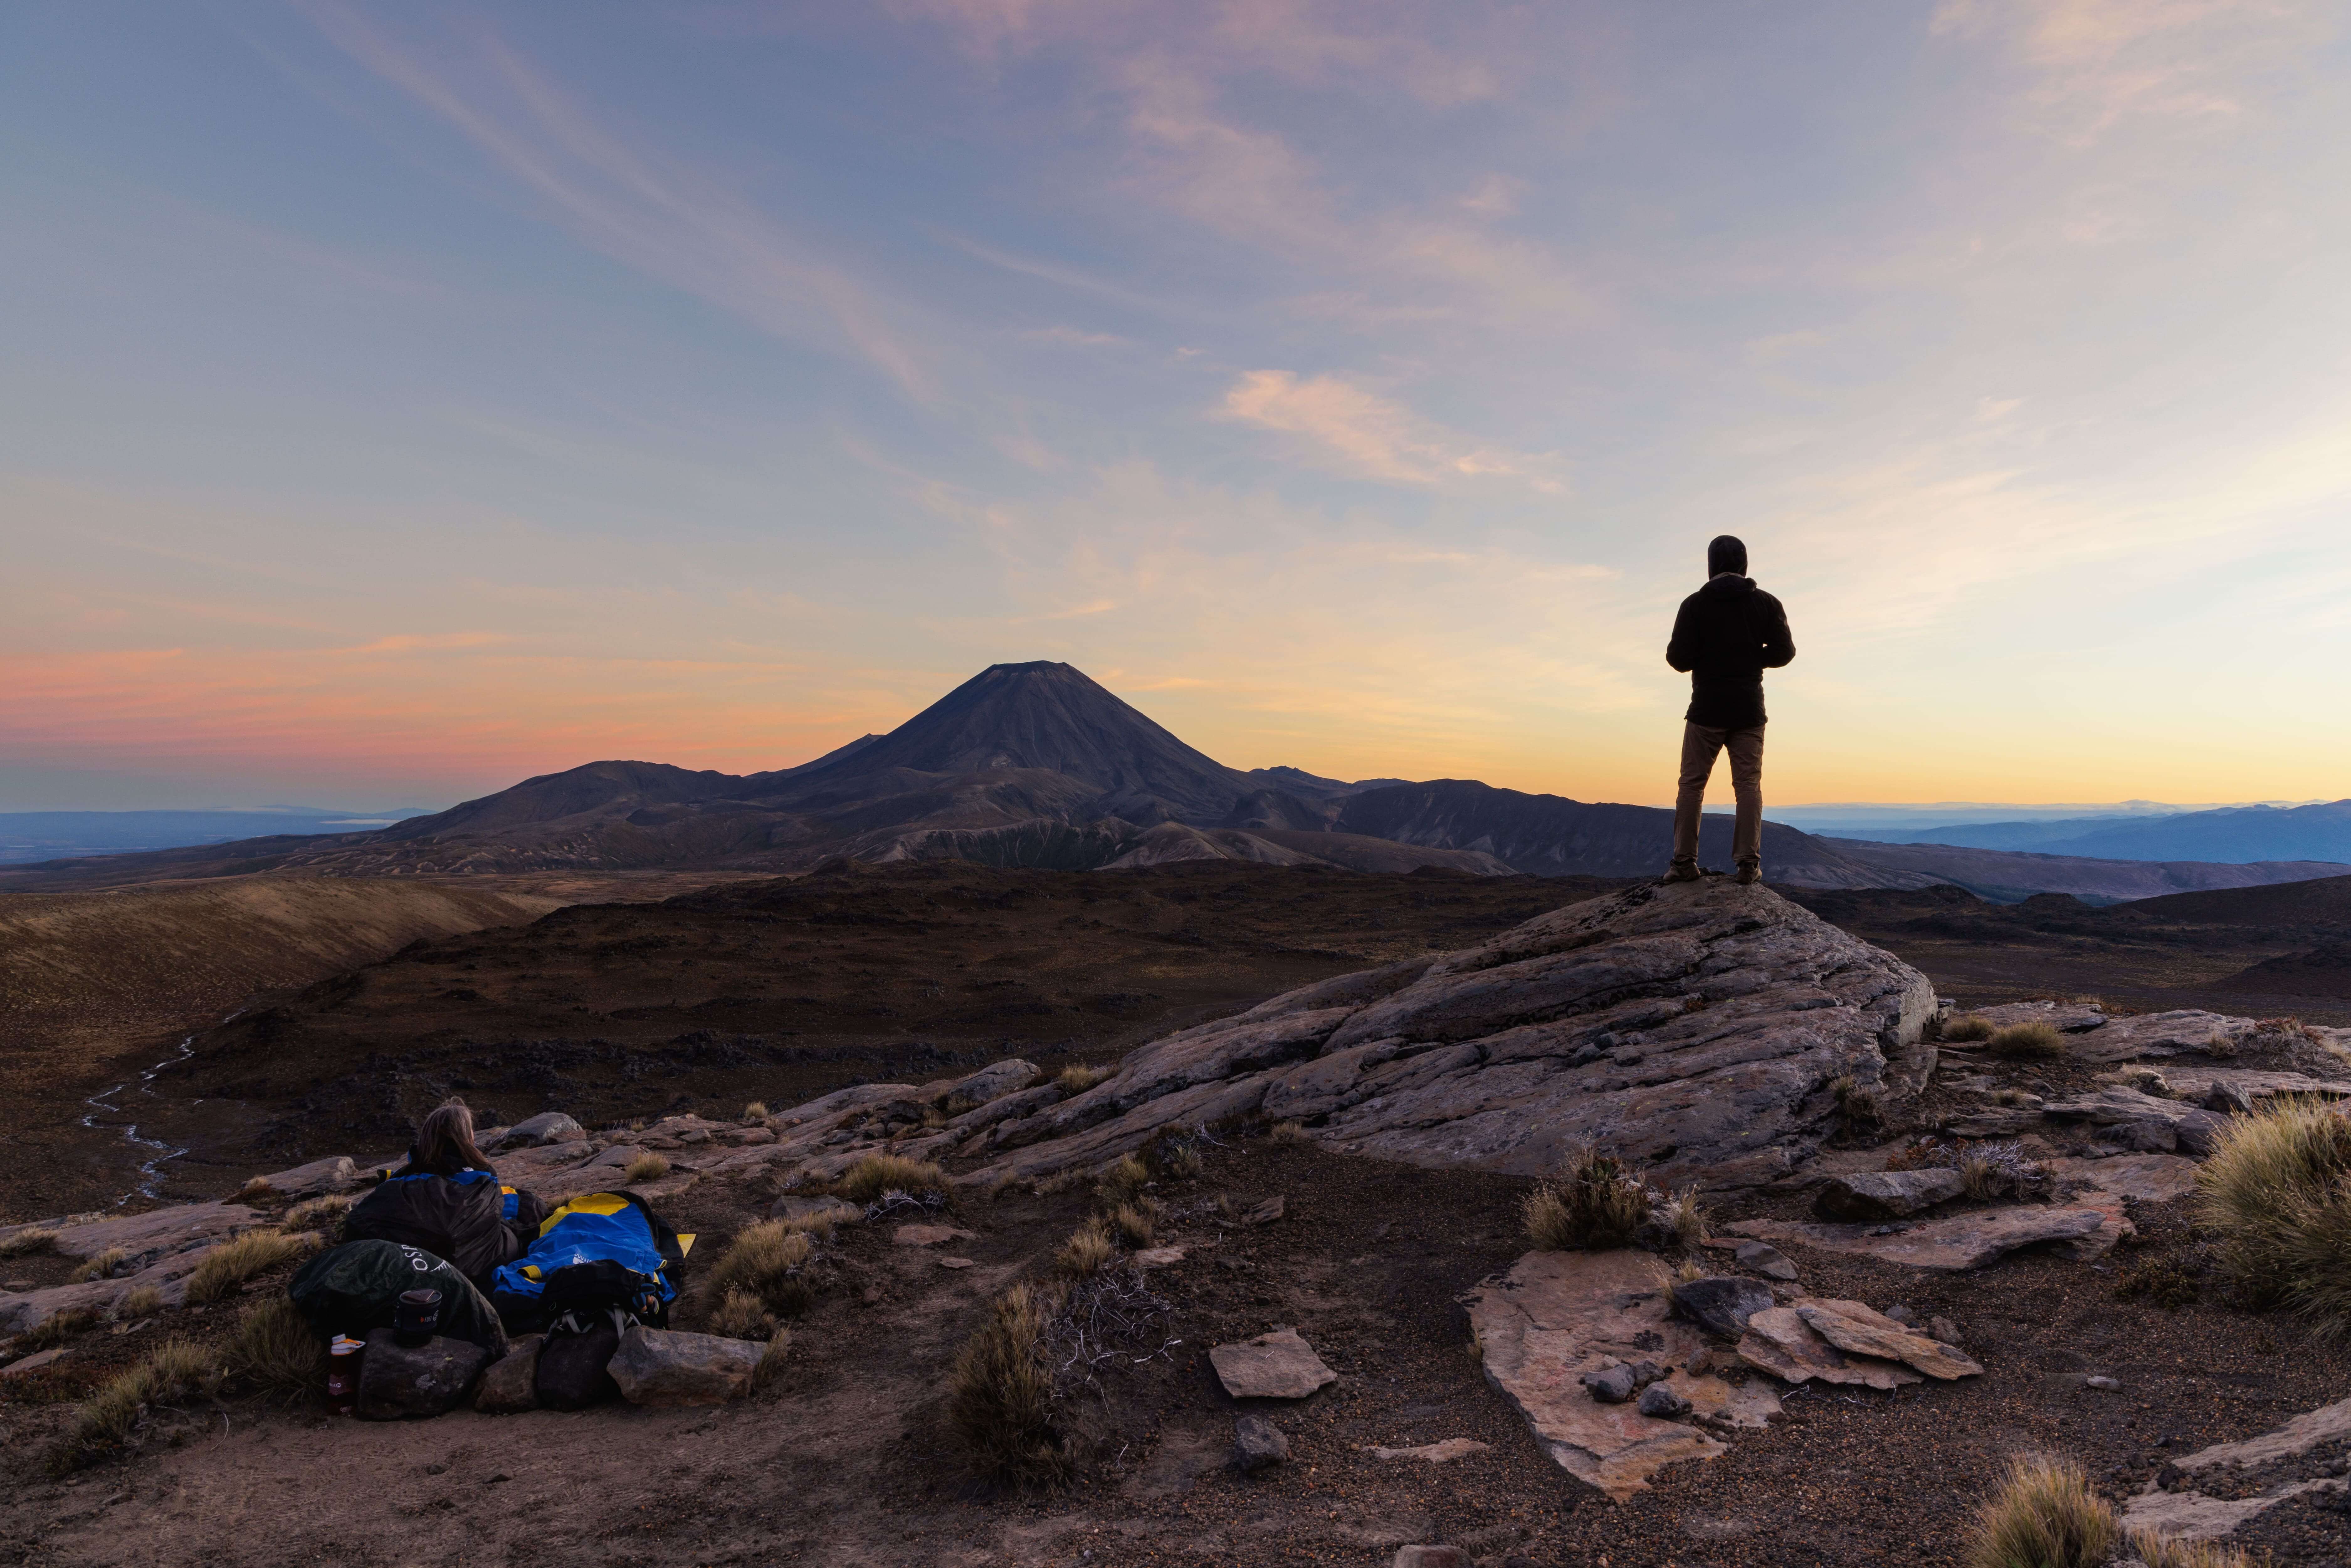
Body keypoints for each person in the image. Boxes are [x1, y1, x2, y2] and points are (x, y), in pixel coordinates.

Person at [1663, 534, 1794, 885]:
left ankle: (1683, 863)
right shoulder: (1767, 604)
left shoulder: (1694, 605)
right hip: (1749, 710)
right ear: (1744, 563)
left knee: (1692, 785)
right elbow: (1784, 652)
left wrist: (1710, 658)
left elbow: (1678, 659)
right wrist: (1751, 658)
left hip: (1706, 709)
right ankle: (1748, 865)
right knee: (1748, 785)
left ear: (1711, 564)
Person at [342, 1098, 548, 1288]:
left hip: (411, 1272)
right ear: (466, 1137)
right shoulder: (483, 1177)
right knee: (527, 1206)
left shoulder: (401, 1181)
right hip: (477, 1272)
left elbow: (357, 1224)